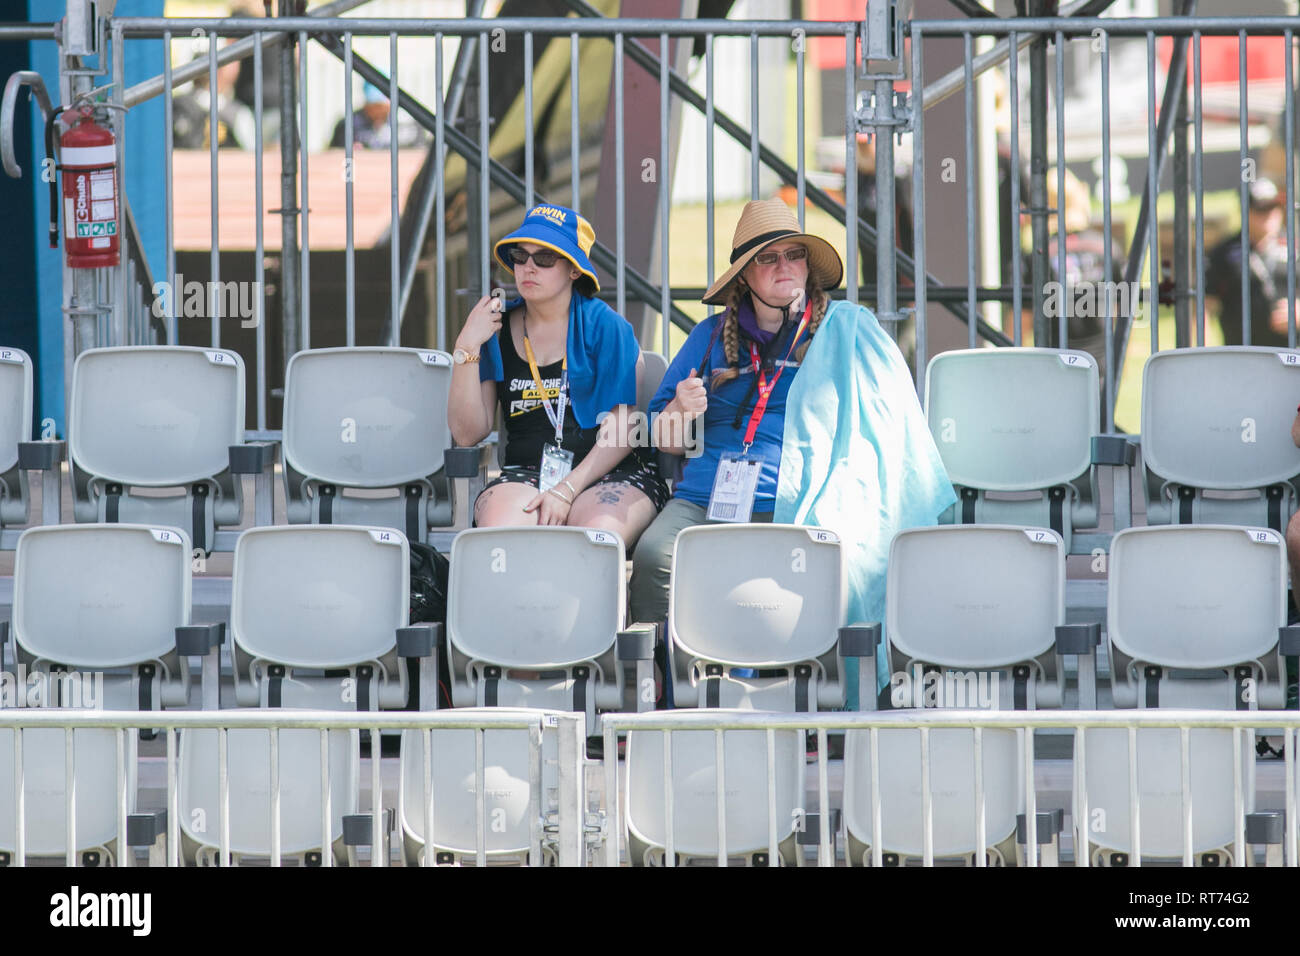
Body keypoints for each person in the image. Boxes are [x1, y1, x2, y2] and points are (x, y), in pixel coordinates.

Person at [630, 199, 955, 708]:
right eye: (769, 257)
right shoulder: (709, 337)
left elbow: (884, 424)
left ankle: (812, 701)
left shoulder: (840, 329)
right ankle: (657, 699)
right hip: (706, 502)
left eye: (794, 254)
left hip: (804, 499)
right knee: (653, 555)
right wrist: (680, 407)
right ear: (744, 277)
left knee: (836, 564)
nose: (785, 266)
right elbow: (665, 439)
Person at [447, 203, 667, 546]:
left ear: (574, 270)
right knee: (500, 539)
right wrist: (466, 347)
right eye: (521, 256)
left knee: (595, 540)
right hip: (527, 474)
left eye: (545, 258)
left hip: (611, 473)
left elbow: (623, 432)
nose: (528, 267)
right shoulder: (496, 329)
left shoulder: (606, 326)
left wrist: (567, 489)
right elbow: (467, 434)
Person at [1208, 179, 1298, 349]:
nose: (1269, 215)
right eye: (1260, 209)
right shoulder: (1223, 253)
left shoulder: (1296, 247)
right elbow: (1204, 308)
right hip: (1243, 356)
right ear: (1244, 211)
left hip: (1293, 358)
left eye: (1273, 207)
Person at [329, 83, 425, 150]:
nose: (378, 111)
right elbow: (335, 157)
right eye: (374, 105)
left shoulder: (410, 125)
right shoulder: (348, 125)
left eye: (381, 105)